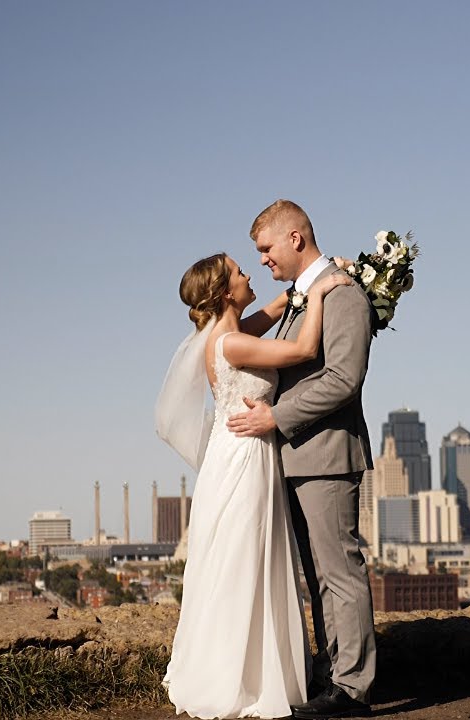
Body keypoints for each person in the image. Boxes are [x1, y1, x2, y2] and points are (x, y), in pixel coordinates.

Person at [158, 251, 351, 719]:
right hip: (243, 461)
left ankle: (255, 671)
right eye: (241, 271)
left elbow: (278, 306)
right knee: (243, 560)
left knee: (252, 560)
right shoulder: (231, 344)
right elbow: (304, 350)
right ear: (226, 292)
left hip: (248, 455)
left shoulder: (235, 334)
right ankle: (238, 679)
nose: (250, 274)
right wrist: (324, 292)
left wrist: (310, 281)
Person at [227, 200, 377, 719]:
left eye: (266, 249)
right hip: (293, 457)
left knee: (340, 571)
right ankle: (331, 674)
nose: (264, 260)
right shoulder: (300, 298)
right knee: (316, 577)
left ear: (295, 239)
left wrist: (275, 417)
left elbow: (343, 378)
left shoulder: (343, 294)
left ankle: (353, 689)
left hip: (327, 454)